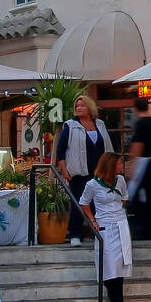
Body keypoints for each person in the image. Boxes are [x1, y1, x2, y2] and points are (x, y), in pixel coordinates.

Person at [79, 151, 133, 302]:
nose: (121, 166)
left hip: (120, 224)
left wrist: (117, 210)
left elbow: (124, 197)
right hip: (105, 225)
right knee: (109, 263)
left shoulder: (121, 180)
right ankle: (112, 298)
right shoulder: (93, 185)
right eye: (119, 164)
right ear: (110, 165)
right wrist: (93, 220)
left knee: (122, 263)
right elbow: (84, 203)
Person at [56, 94, 113, 241]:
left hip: (99, 171)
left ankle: (98, 233)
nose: (79, 108)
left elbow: (107, 146)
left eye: (82, 105)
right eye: (77, 106)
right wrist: (63, 168)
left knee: (98, 202)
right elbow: (60, 150)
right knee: (78, 202)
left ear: (90, 107)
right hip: (79, 170)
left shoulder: (99, 124)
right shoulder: (70, 125)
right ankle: (75, 234)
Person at [126, 95, 151, 239]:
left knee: (134, 195)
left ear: (136, 108)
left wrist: (132, 164)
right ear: (148, 106)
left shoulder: (140, 124)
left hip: (143, 162)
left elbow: (138, 146)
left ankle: (139, 229)